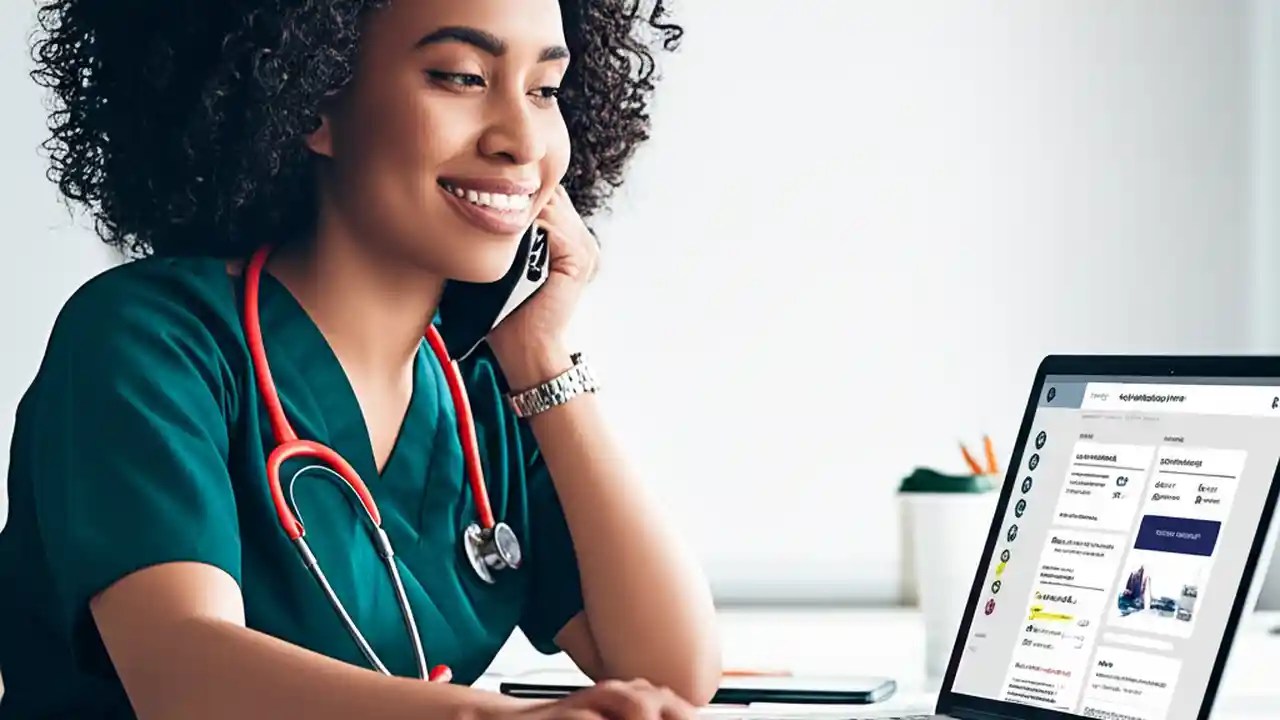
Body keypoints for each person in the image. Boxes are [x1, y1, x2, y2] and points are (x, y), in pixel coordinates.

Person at [0, 1, 722, 718]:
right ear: (313, 101)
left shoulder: (484, 392)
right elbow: (180, 671)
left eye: (544, 90)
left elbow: (671, 673)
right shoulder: (149, 339)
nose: (522, 140)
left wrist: (540, 354)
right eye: (462, 77)